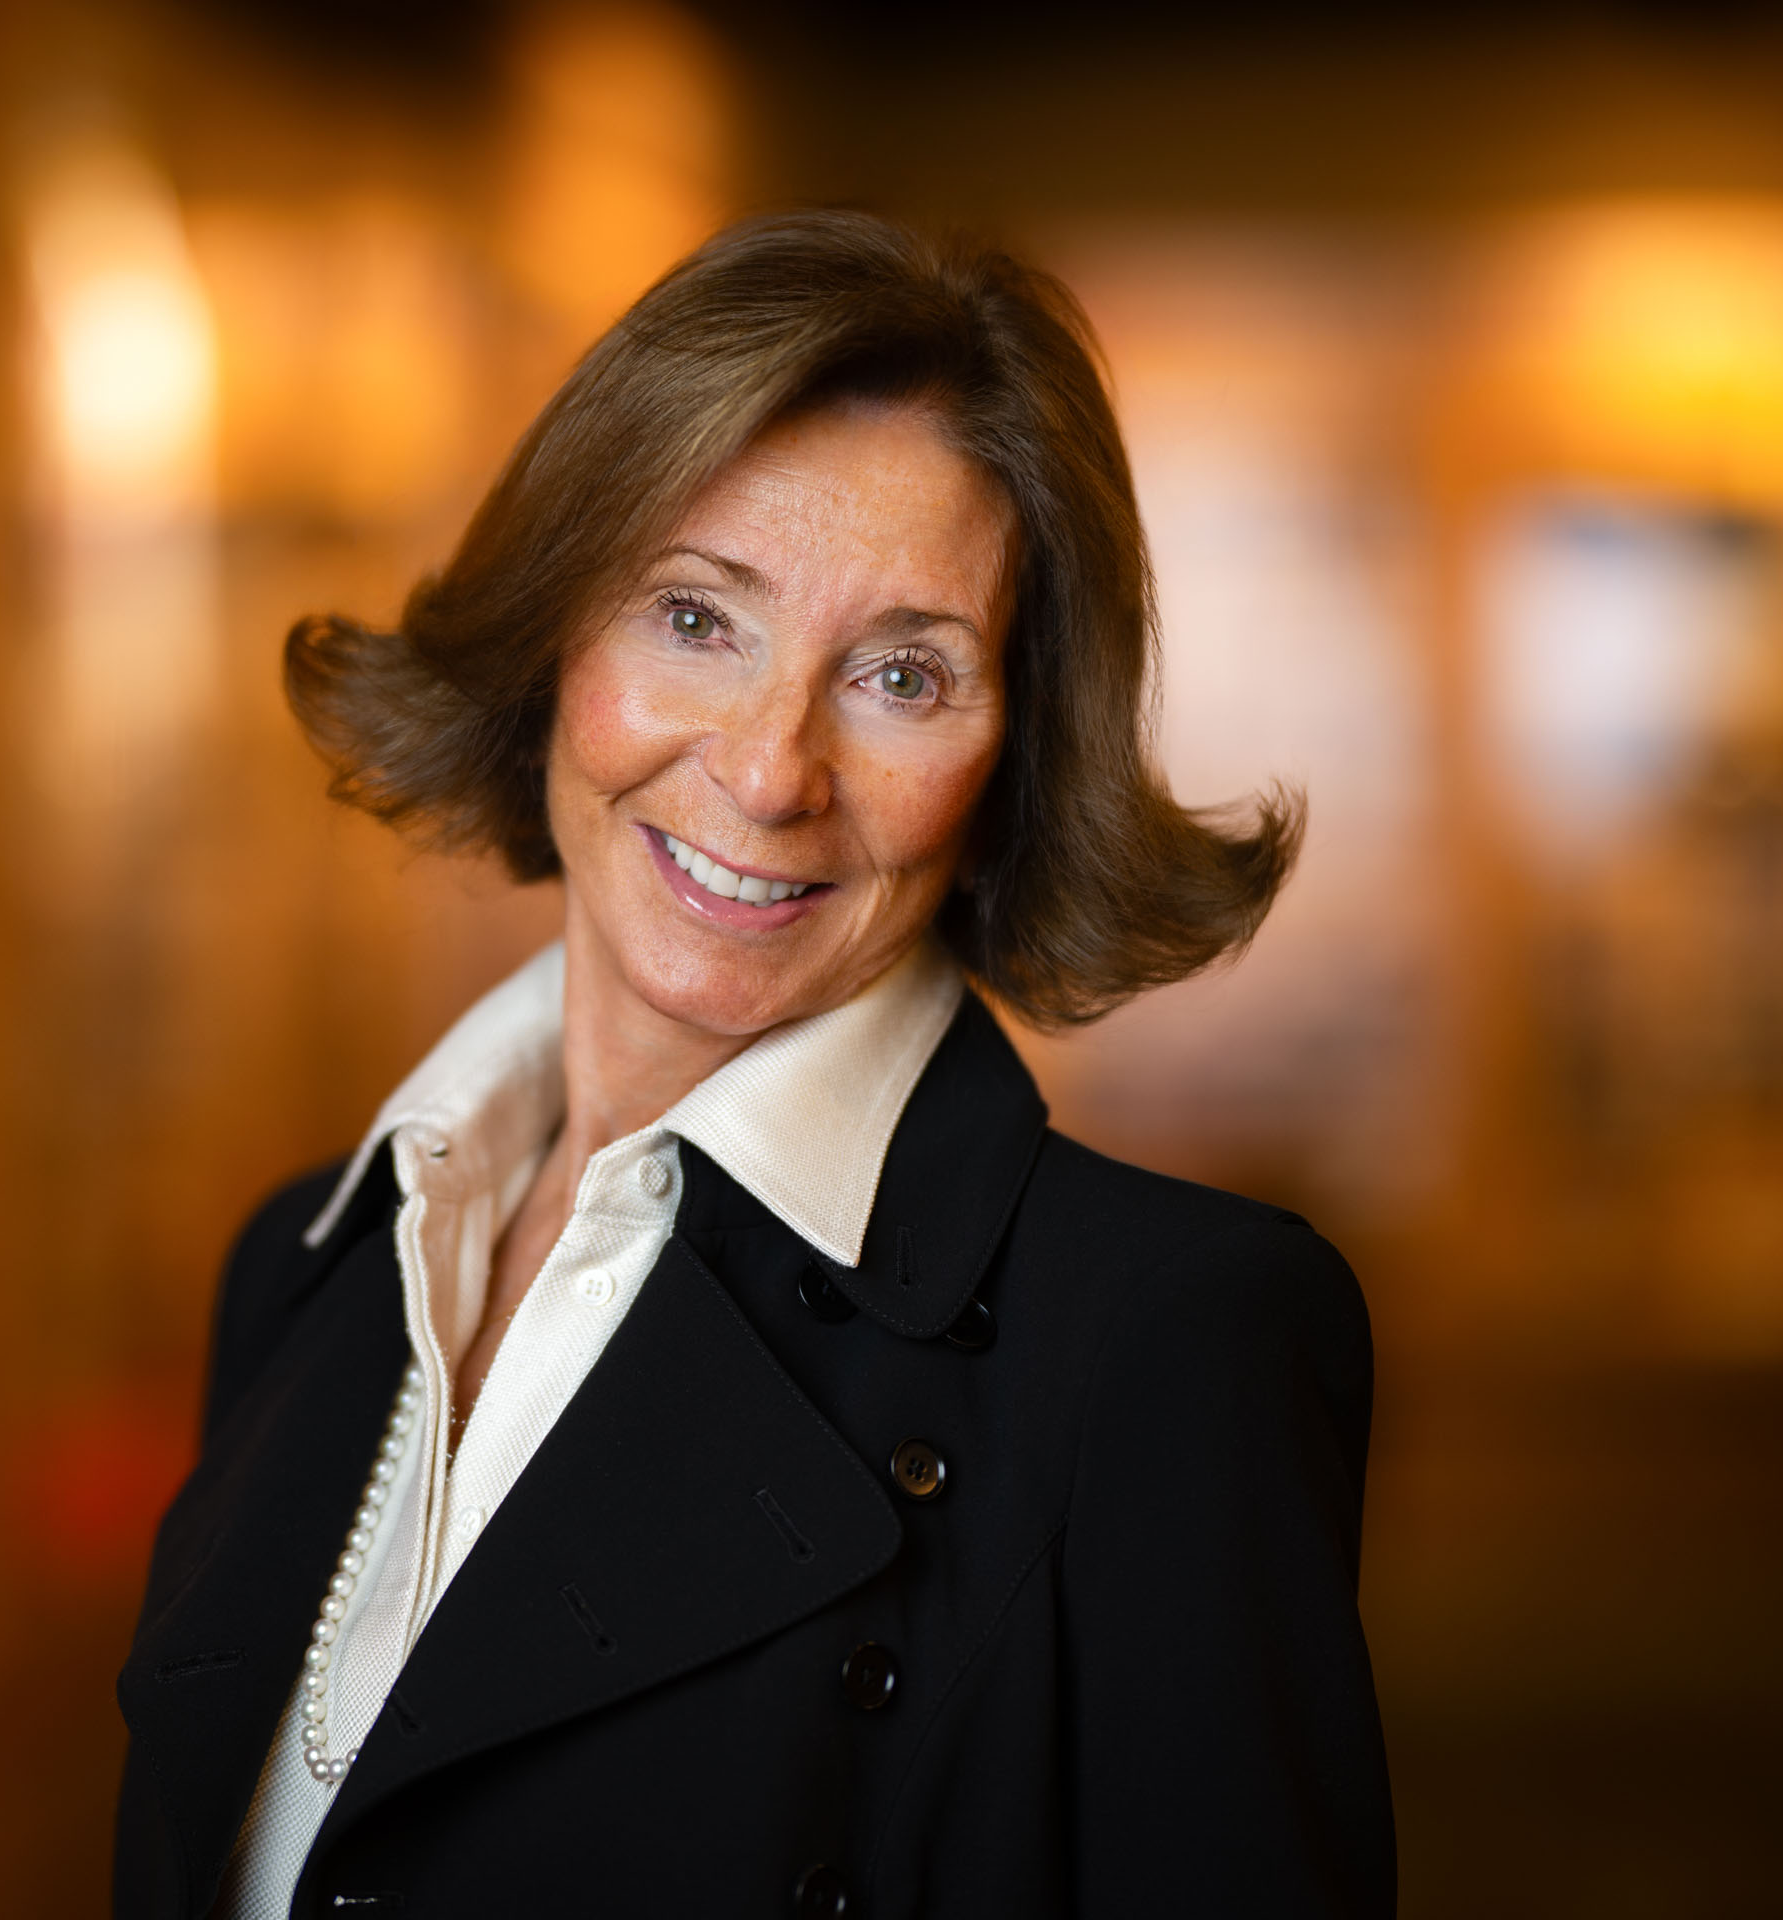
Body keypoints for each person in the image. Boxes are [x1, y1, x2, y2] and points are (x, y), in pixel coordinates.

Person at [113, 210, 1393, 1919]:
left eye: (903, 675)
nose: (773, 770)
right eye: (697, 618)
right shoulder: (305, 1264)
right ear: (556, 633)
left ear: (1016, 761)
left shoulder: (1165, 1345)